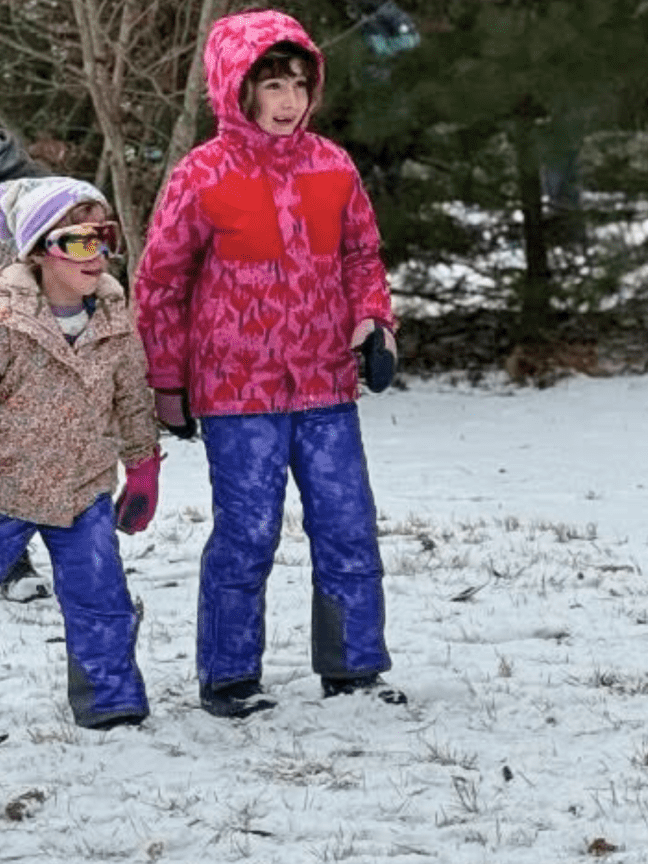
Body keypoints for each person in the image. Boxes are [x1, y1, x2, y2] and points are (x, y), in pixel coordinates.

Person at [134, 9, 402, 719]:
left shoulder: (332, 165)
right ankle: (229, 676)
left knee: (346, 522)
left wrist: (374, 321)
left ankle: (353, 666)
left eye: (297, 85)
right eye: (271, 86)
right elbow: (161, 282)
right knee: (247, 533)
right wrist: (167, 383)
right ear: (236, 88)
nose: (287, 102)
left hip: (324, 382)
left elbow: (360, 257)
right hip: (236, 390)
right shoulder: (203, 174)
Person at [0, 177, 160, 731]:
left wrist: (141, 466)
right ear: (42, 250)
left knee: (101, 597)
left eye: (104, 238)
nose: (97, 255)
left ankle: (109, 701)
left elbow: (133, 399)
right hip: (2, 492)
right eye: (79, 241)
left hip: (83, 490)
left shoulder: (115, 321)